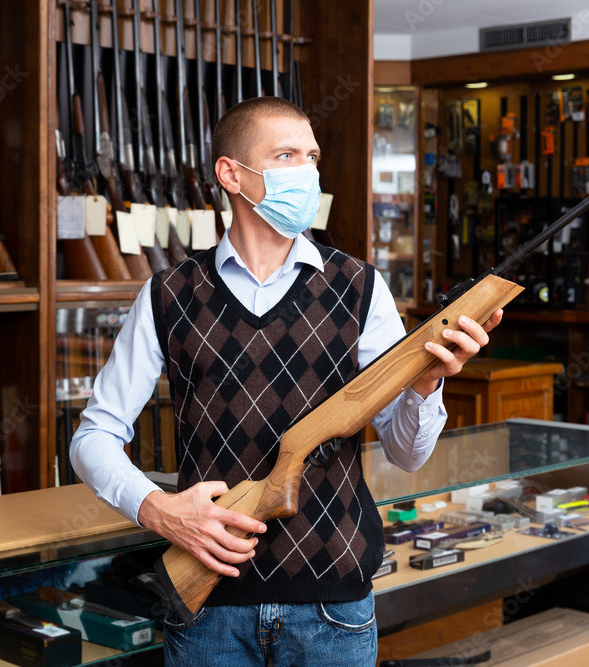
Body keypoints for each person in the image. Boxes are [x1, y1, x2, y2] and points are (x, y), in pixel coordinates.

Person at [71, 96, 503, 666]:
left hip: (333, 607)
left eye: (312, 157)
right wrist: (156, 508)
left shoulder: (360, 287)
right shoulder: (167, 294)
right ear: (232, 173)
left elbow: (406, 454)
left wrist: (427, 386)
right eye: (286, 155)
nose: (307, 172)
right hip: (211, 607)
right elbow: (93, 436)